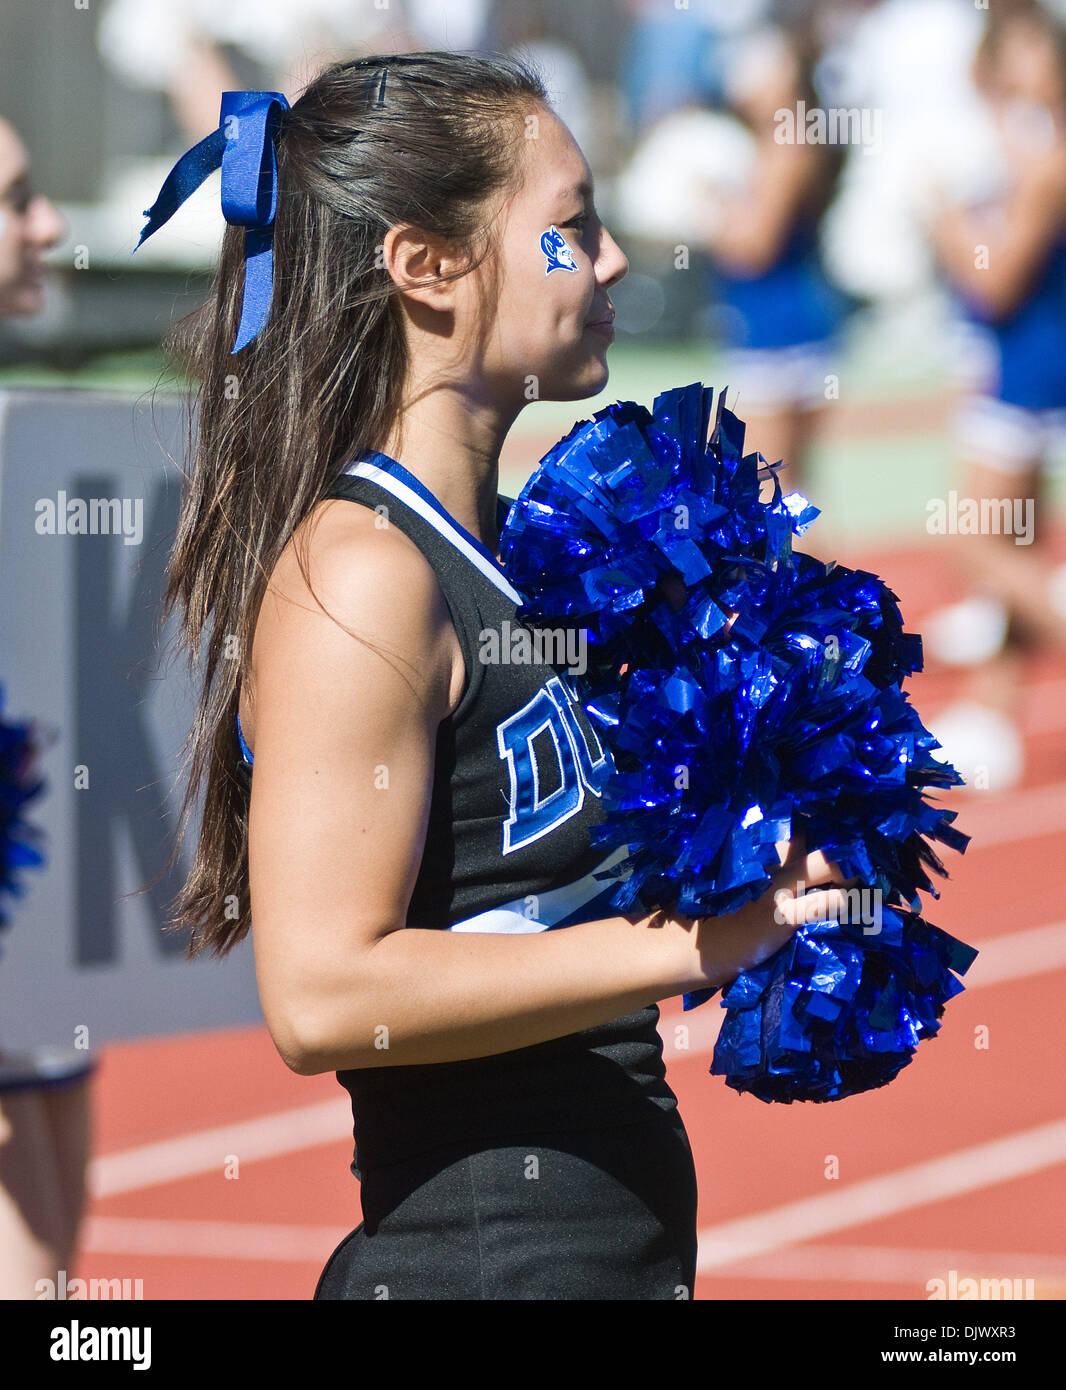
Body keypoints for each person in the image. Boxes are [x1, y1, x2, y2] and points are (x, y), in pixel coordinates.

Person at [151, 51, 855, 1301]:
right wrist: (694, 941)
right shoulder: (365, 572)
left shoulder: (520, 549)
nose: (615, 258)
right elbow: (321, 994)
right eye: (569, 229)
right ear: (426, 266)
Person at [923, 0, 1066, 790]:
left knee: (971, 542)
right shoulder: (1024, 143)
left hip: (1030, 373)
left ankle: (1053, 606)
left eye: (1027, 51)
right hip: (1028, 366)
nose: (1011, 65)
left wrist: (943, 218)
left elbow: (996, 281)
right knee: (1010, 542)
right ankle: (993, 716)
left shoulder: (1048, 156)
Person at [0, 114, 93, 1301]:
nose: (51, 224)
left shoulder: (35, 442)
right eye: (16, 198)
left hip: (40, 926)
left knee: (63, 1284)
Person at [696, 21, 850, 495]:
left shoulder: (786, 147)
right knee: (790, 493)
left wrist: (710, 208)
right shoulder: (780, 143)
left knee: (769, 494)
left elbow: (754, 248)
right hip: (789, 327)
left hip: (777, 336)